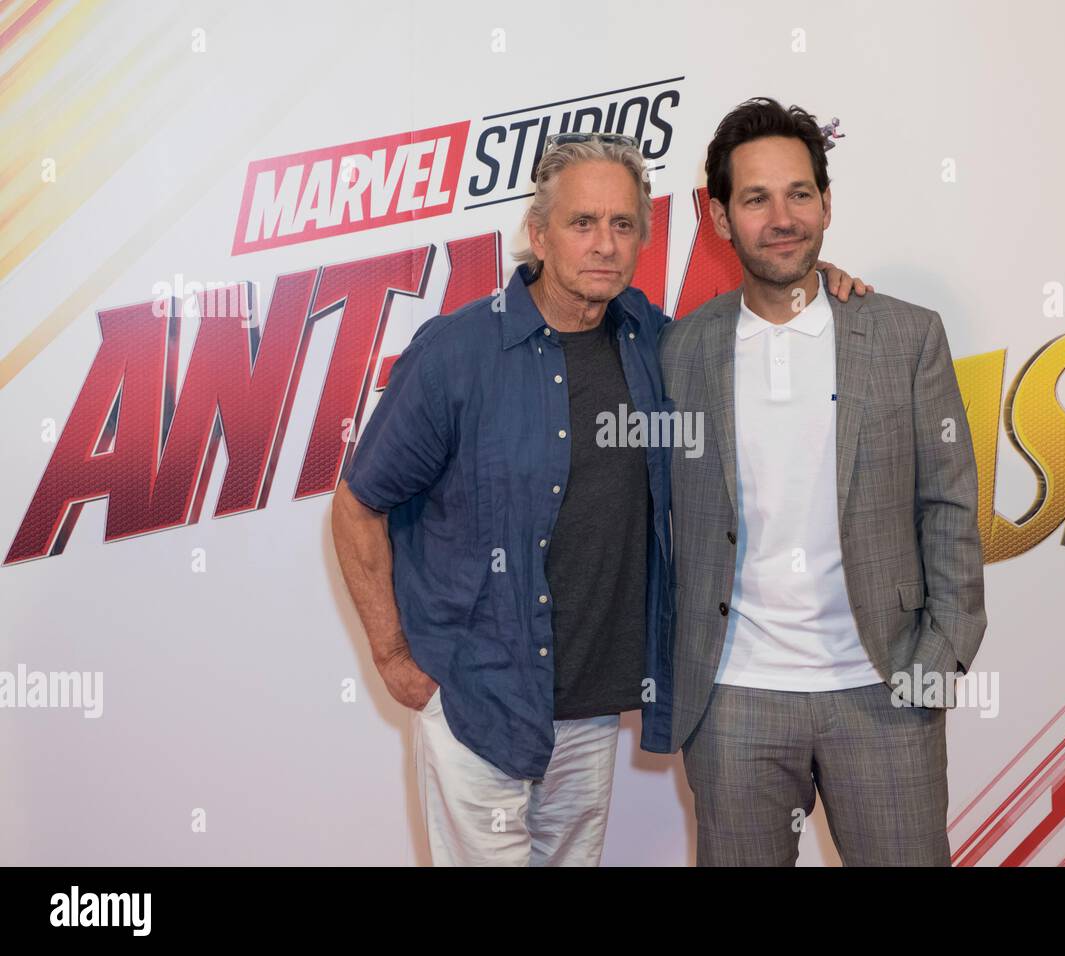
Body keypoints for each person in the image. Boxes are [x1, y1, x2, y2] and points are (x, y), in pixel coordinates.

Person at [331, 130, 869, 866]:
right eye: (583, 223)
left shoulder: (652, 341)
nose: (604, 244)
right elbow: (359, 504)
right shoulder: (457, 353)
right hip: (479, 695)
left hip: (589, 700)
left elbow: (747, 342)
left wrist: (810, 284)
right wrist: (395, 657)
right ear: (539, 233)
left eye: (622, 225)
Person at [659, 98, 987, 866]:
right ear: (719, 218)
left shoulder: (906, 336)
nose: (782, 217)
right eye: (756, 198)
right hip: (733, 698)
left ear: (827, 204)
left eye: (799, 194)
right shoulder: (679, 351)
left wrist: (937, 662)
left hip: (883, 690)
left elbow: (950, 506)